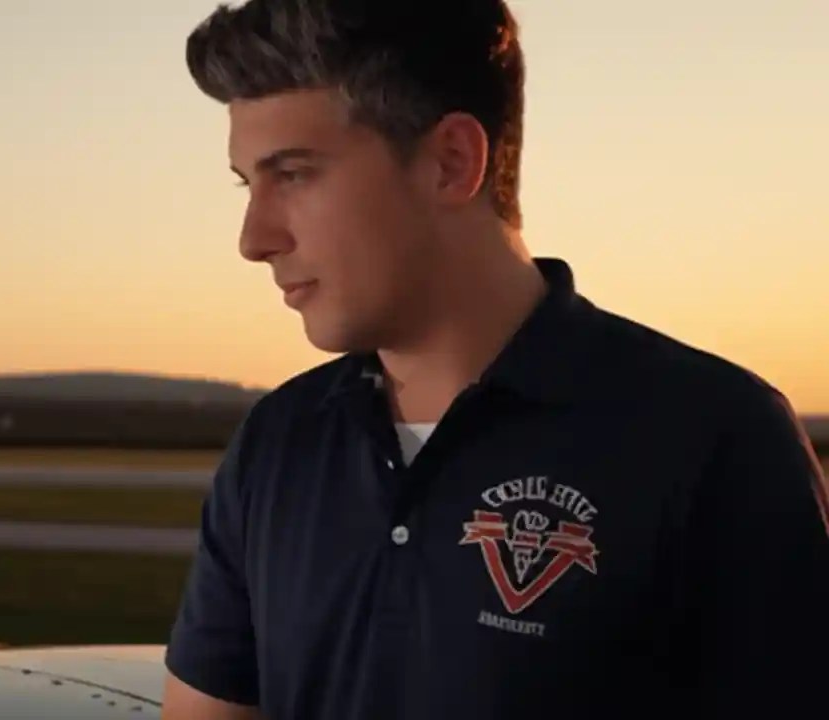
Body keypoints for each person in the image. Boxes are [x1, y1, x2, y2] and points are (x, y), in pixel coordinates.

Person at [160, 1, 829, 718]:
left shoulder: (713, 438)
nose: (253, 238)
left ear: (452, 162)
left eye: (291, 174)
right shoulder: (277, 442)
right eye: (246, 183)